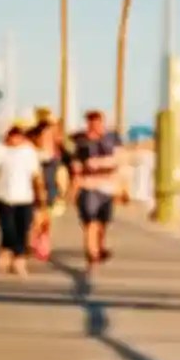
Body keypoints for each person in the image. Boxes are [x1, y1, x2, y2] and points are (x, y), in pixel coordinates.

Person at [70, 110, 126, 273]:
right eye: (91, 122)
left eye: (97, 122)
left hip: (108, 186)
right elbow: (75, 163)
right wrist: (76, 180)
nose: (94, 125)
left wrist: (99, 163)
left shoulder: (112, 139)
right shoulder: (81, 142)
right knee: (90, 223)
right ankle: (91, 254)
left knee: (102, 224)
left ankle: (99, 247)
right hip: (88, 186)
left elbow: (120, 159)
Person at [0, 122, 44, 277]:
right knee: (7, 229)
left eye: (18, 137)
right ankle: (6, 253)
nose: (15, 140)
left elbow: (36, 175)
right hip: (4, 197)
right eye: (12, 136)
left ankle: (18, 260)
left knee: (22, 230)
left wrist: (41, 197)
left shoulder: (29, 152)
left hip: (25, 198)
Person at [28, 113, 68, 260]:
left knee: (46, 218)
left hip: (51, 184)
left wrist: (63, 190)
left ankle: (42, 238)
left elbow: (63, 167)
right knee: (38, 216)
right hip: (36, 184)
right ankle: (36, 239)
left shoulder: (59, 148)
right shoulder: (32, 148)